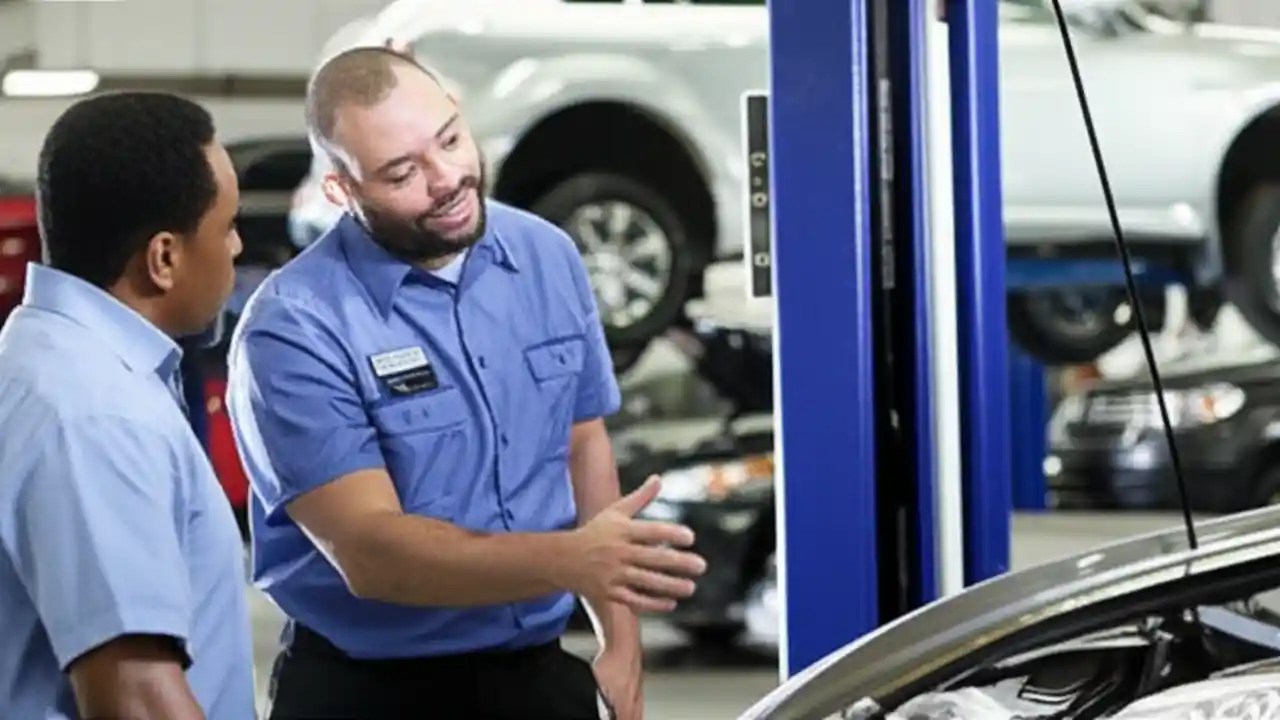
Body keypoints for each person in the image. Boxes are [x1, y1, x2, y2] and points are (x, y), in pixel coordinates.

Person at [225, 46, 706, 720]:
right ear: (341, 189)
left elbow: (581, 443)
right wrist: (570, 560)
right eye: (402, 172)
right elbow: (371, 553)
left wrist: (622, 645)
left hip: (536, 673)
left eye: (450, 138)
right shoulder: (295, 327)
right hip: (369, 694)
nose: (447, 177)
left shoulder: (547, 256)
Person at [0, 91, 255, 719]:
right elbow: (138, 699)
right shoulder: (93, 413)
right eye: (226, 227)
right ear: (163, 257)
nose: (238, 248)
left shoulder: (43, 357)